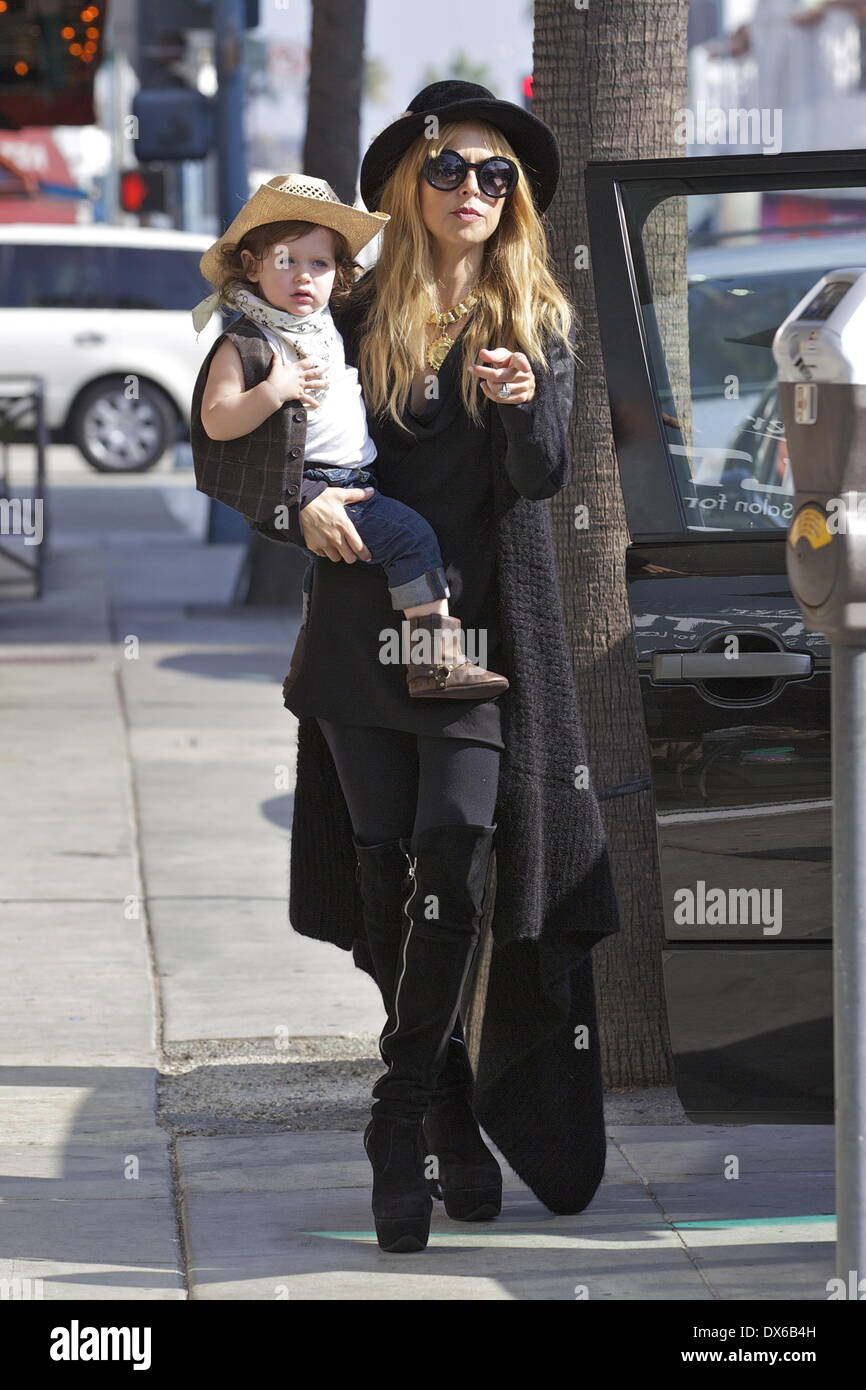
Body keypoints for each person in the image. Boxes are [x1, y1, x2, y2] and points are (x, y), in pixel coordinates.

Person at [259, 83, 622, 1254]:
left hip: (474, 642)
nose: (473, 190)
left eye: (495, 174)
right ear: (406, 189)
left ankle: (399, 1106)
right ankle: (445, 1106)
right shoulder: (348, 308)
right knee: (381, 879)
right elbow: (252, 440)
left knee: (458, 860)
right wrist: (292, 507)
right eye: (449, 170)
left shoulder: (532, 318)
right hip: (364, 634)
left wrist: (520, 407)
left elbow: (540, 478)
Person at [189, 173, 509, 699]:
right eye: (286, 261)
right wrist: (275, 389)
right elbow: (217, 420)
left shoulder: (327, 323)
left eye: (320, 264)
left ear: (338, 273)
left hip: (358, 477)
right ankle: (436, 665)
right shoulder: (249, 340)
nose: (303, 277)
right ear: (252, 265)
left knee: (346, 579)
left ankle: (310, 666)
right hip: (311, 482)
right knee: (411, 539)